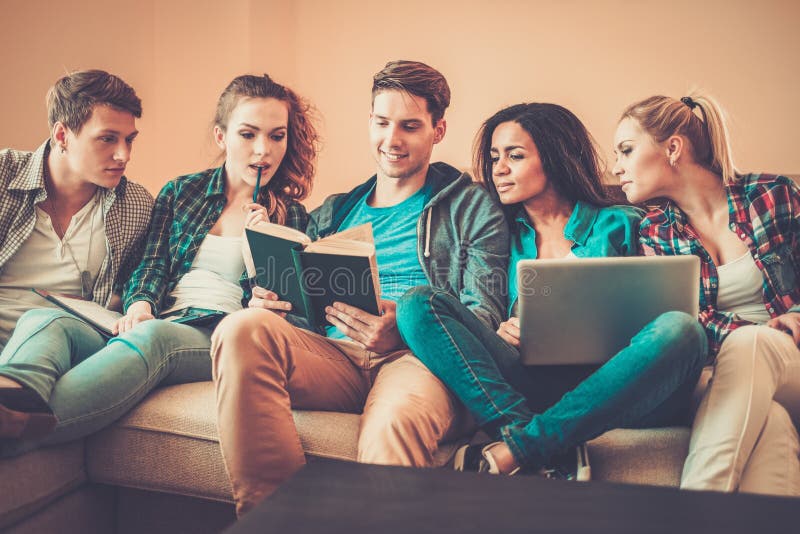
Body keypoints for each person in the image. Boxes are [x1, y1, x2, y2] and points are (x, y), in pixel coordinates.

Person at [211, 60, 509, 515]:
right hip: (333, 357)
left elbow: (483, 319)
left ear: (438, 129)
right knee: (240, 328)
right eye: (382, 122)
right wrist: (272, 301)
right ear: (369, 121)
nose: (392, 140)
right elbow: (305, 306)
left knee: (393, 420)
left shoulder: (471, 205)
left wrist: (406, 330)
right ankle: (275, 522)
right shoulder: (334, 212)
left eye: (410, 126)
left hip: (417, 359)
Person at [0, 74, 317, 454]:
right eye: (248, 134)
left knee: (153, 339)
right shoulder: (181, 192)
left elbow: (291, 312)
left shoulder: (293, 217)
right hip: (162, 317)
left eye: (276, 136)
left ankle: (20, 433)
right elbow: (151, 265)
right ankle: (12, 400)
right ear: (222, 137)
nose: (263, 150)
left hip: (221, 331)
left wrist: (262, 250)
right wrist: (139, 305)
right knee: (44, 319)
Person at [397, 103, 707, 478]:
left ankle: (526, 446)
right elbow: (475, 314)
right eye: (495, 157)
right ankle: (543, 443)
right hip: (534, 383)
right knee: (418, 304)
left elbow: (658, 315)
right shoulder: (495, 236)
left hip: (621, 386)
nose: (499, 169)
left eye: (515, 155)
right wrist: (500, 331)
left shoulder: (624, 224)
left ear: (555, 157)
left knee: (683, 329)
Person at [613, 93, 800, 495]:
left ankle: (695, 510)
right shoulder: (655, 230)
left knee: (753, 344)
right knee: (774, 425)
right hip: (719, 372)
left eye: (626, 151)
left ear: (673, 148)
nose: (616, 168)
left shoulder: (771, 193)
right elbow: (687, 317)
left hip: (793, 359)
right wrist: (755, 332)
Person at [0, 69, 153, 438]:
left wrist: (134, 306)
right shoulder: (4, 174)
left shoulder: (134, 204)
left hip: (67, 341)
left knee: (44, 321)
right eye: (107, 139)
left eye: (129, 140)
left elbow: (138, 283)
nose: (123, 154)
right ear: (62, 135)